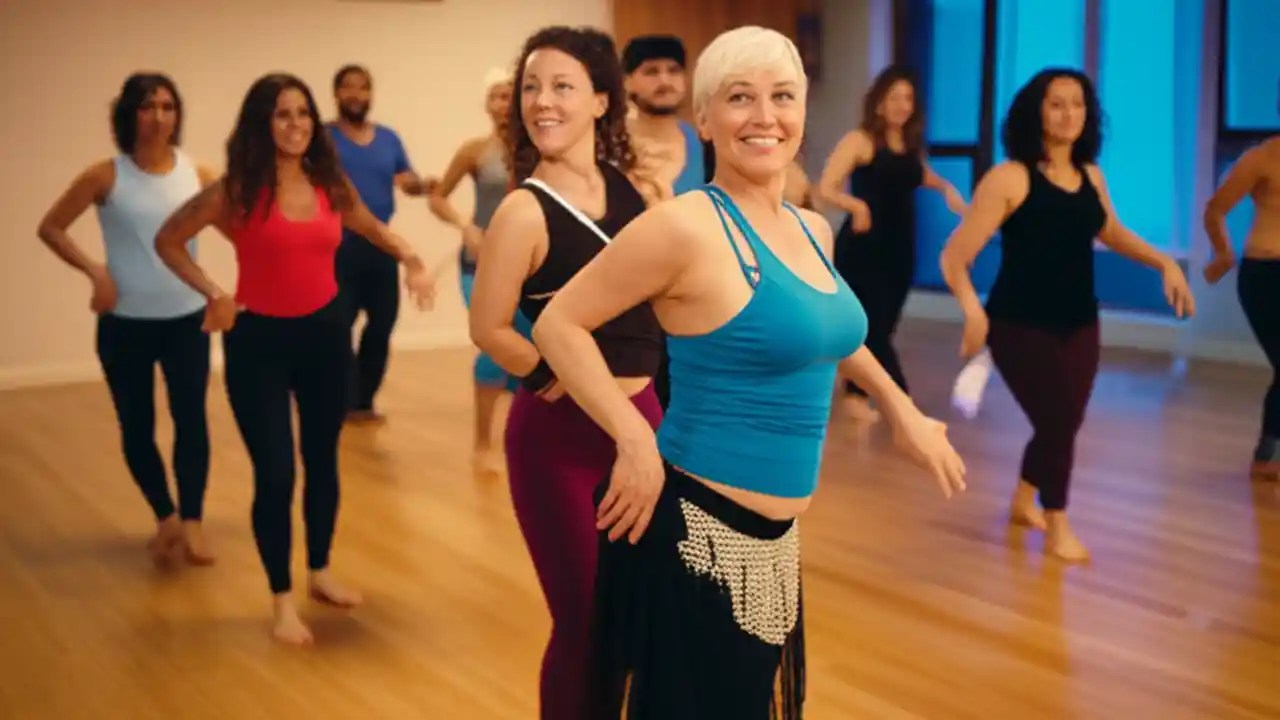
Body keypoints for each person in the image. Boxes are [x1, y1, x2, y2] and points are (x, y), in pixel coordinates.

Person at [530, 26, 967, 719]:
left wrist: (903, 410)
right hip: (696, 542)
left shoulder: (810, 229)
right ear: (704, 118)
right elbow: (560, 323)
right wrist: (634, 438)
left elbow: (829, 333)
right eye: (740, 98)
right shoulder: (684, 227)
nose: (765, 116)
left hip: (775, 544)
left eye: (782, 97)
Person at [154, 72, 436, 645]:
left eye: (304, 114)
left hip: (326, 338)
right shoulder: (235, 190)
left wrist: (411, 257)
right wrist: (212, 291)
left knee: (324, 460)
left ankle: (320, 572)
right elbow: (168, 239)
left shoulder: (330, 184)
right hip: (258, 343)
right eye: (283, 115)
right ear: (263, 123)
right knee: (277, 472)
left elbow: (369, 226)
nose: (296, 125)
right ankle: (282, 599)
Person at [468, 26, 665, 720]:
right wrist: (559, 379)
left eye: (561, 86)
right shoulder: (523, 211)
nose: (541, 101)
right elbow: (488, 327)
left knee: (638, 623)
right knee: (584, 624)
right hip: (559, 443)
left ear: (602, 101)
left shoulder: (637, 189)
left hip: (646, 428)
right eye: (531, 87)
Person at [939, 67, 1195, 563]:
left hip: (1080, 320)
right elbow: (953, 258)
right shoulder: (1010, 178)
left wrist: (1164, 261)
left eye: (1077, 104)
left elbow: (1110, 232)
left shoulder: (1090, 175)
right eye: (1056, 103)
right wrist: (973, 312)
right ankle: (1057, 524)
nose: (1069, 113)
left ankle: (1021, 501)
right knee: (1057, 421)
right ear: (1036, 112)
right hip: (1017, 323)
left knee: (1064, 421)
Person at [36, 72, 217, 569]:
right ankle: (165, 517)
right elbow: (50, 228)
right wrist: (95, 270)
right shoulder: (105, 176)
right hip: (125, 322)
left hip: (187, 319)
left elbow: (240, 221)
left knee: (192, 422)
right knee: (137, 427)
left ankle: (195, 521)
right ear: (128, 115)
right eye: (146, 106)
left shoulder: (197, 174)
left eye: (166, 106)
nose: (158, 116)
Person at [817, 65, 967, 419]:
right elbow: (824, 188)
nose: (902, 105)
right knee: (874, 328)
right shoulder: (860, 141)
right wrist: (855, 205)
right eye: (894, 97)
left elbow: (922, 176)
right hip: (864, 248)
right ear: (879, 103)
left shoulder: (909, 146)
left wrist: (948, 190)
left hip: (901, 249)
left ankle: (854, 387)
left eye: (908, 98)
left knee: (884, 326)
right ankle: (899, 403)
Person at [428, 66, 529, 471]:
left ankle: (526, 439)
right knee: (494, 346)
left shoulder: (540, 150)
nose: (505, 105)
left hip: (531, 264)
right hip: (480, 263)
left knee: (529, 348)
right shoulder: (474, 151)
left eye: (511, 95)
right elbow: (438, 197)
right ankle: (483, 445)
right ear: (487, 104)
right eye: (497, 97)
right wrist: (464, 227)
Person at [328, 64, 435, 423]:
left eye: (363, 88)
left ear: (371, 94)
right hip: (335, 247)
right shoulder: (325, 137)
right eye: (348, 88)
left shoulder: (388, 138)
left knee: (382, 323)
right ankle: (336, 398)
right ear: (337, 94)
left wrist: (424, 186)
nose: (356, 95)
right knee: (338, 324)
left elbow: (405, 180)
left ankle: (362, 401)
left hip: (380, 247)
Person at [1203, 135, 1280, 480]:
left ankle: (1267, 454)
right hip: (1266, 275)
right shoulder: (1261, 158)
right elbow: (1215, 210)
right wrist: (1223, 253)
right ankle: (1266, 457)